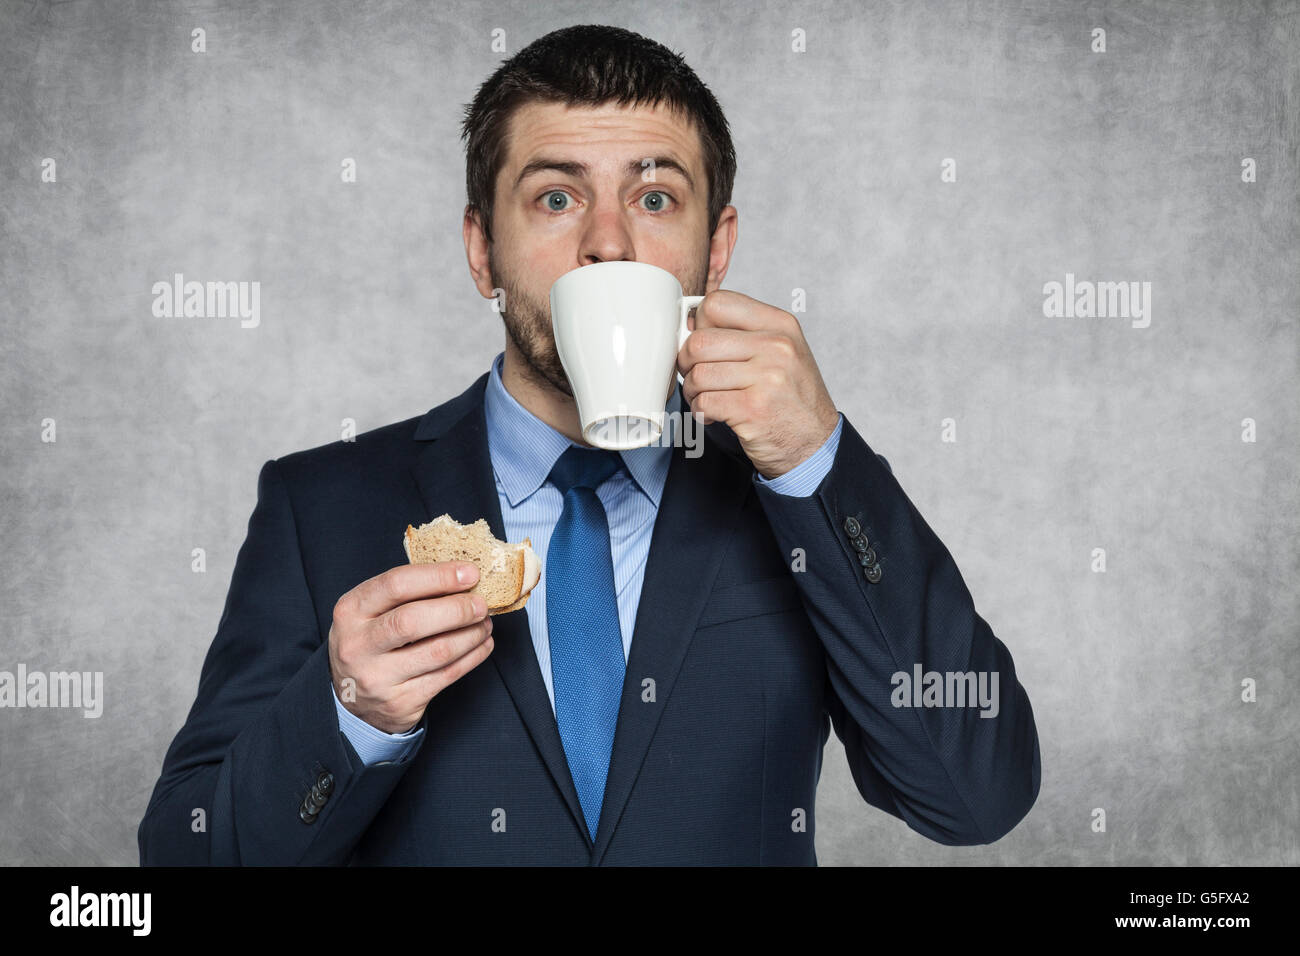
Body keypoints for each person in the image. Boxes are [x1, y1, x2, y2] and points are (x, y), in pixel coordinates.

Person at [139, 23, 1039, 865]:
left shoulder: (794, 497)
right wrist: (349, 713)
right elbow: (182, 854)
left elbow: (977, 795)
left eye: (655, 198)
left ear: (714, 250)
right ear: (481, 252)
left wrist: (818, 459)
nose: (608, 243)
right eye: (556, 197)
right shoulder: (319, 506)